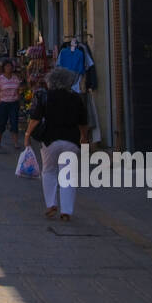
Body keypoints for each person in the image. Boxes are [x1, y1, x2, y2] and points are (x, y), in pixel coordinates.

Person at [24, 67, 89, 221]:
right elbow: (83, 122)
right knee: (67, 175)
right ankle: (66, 211)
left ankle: (51, 204)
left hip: (50, 140)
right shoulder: (76, 98)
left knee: (49, 171)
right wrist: (84, 137)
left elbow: (36, 118)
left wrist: (27, 135)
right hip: (71, 141)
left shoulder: (46, 96)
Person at [0, 59, 24, 150]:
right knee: (2, 123)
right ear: (4, 68)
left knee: (14, 122)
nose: (8, 68)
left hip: (13, 103)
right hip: (4, 103)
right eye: (6, 66)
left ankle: (15, 142)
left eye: (10, 66)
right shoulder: (0, 78)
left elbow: (18, 90)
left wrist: (18, 99)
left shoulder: (15, 78)